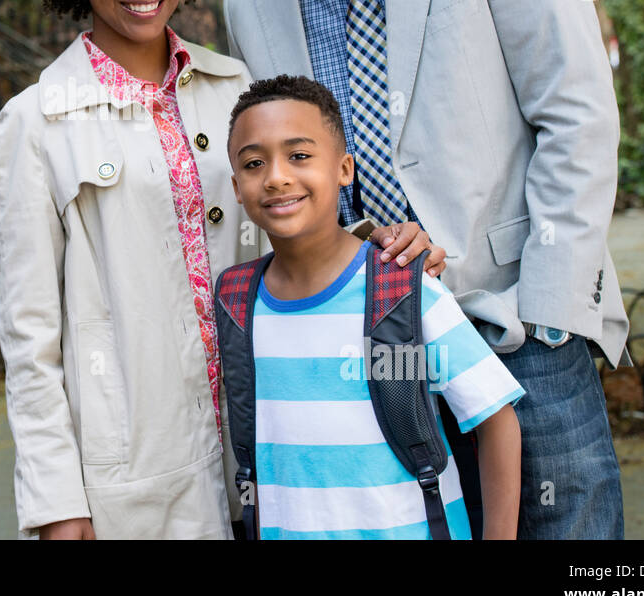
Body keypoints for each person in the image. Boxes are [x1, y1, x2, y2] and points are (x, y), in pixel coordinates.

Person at [220, 0, 629, 539]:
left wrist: (548, 311)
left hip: (520, 321)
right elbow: (312, 169)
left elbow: (576, 109)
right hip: (375, 342)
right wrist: (377, 244)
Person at [0, 0, 444, 539]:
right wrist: (56, 503)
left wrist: (369, 246)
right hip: (139, 478)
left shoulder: (230, 85)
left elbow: (284, 233)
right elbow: (29, 337)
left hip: (275, 442)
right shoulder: (35, 124)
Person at [216, 74, 525, 539]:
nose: (277, 176)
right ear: (238, 188)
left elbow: (495, 419)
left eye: (299, 156)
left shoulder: (398, 293)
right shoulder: (238, 302)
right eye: (255, 163)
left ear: (344, 169)